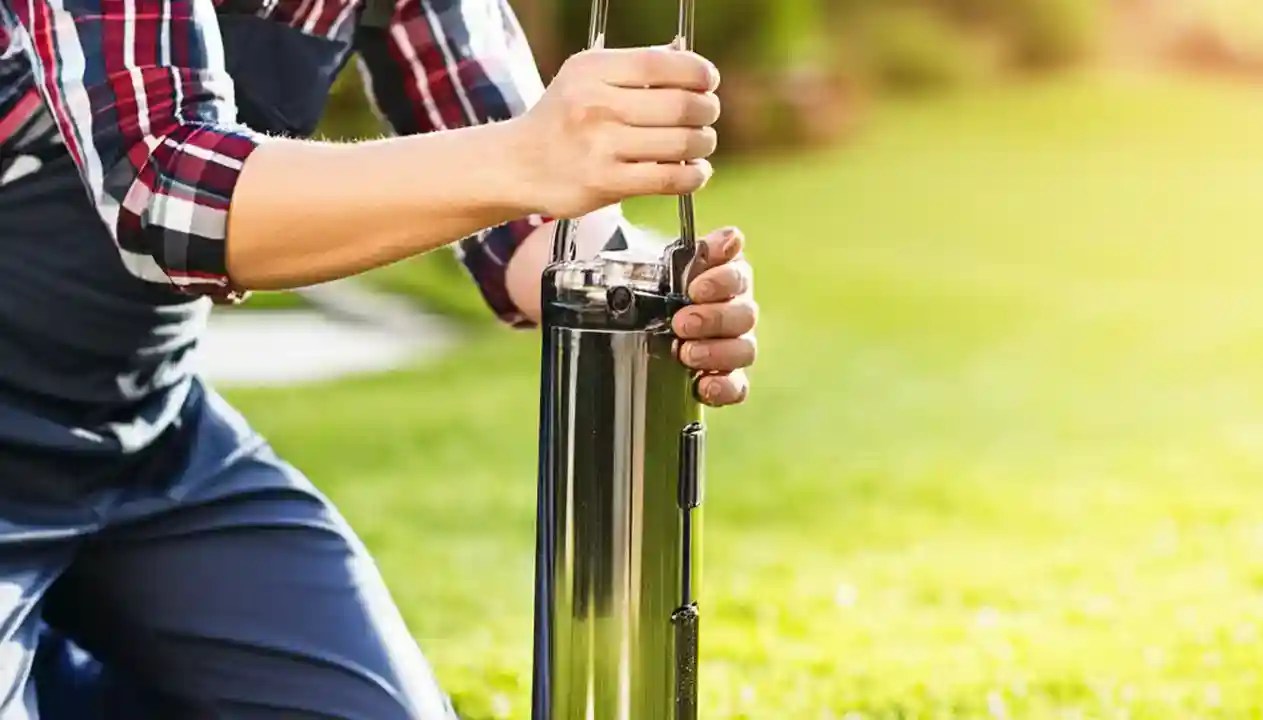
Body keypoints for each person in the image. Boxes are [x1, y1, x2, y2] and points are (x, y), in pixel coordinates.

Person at [0, 0, 758, 716]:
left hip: (155, 445)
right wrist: (526, 155)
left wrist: (657, 288)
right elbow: (168, 193)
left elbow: (533, 219)